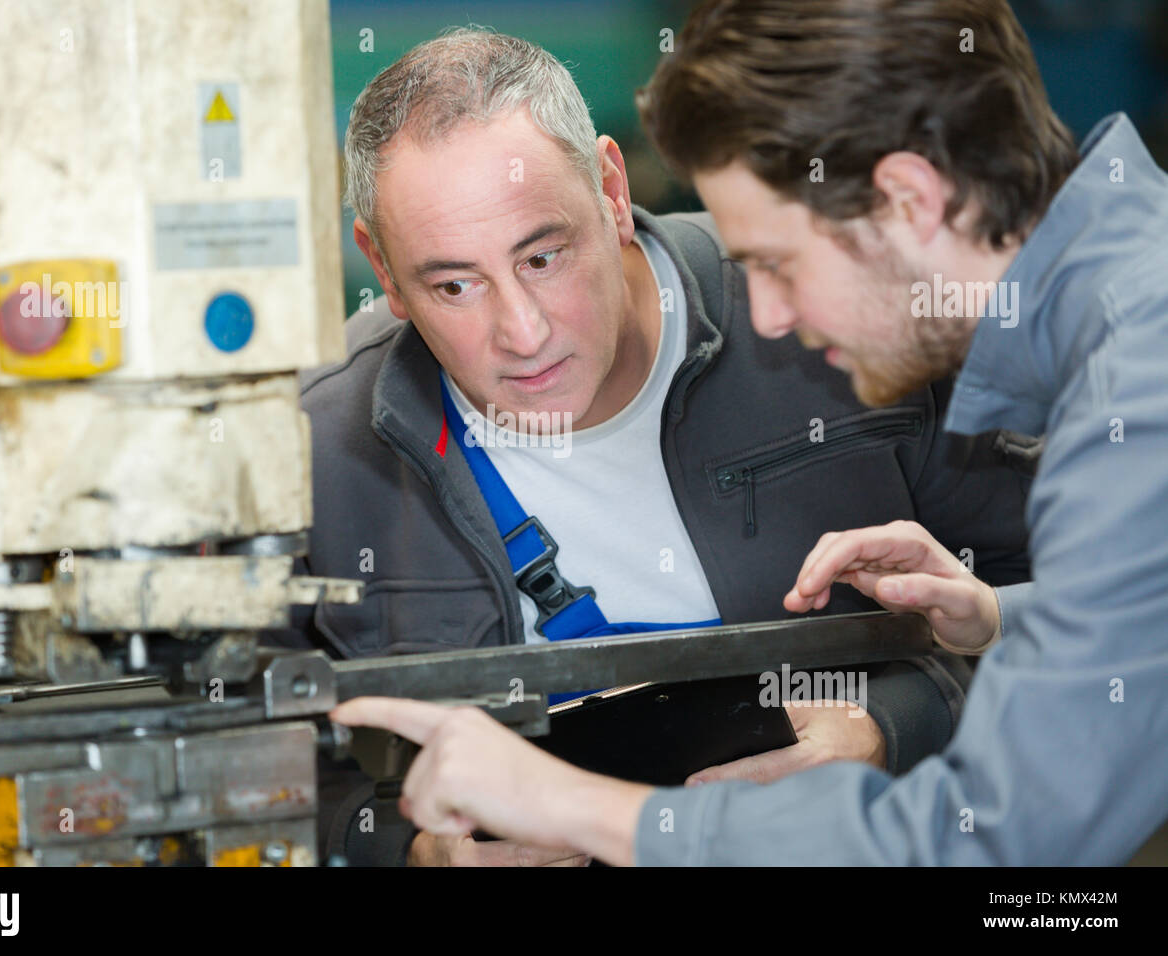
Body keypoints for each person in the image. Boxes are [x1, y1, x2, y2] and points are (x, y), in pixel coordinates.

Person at [331, 0, 1168, 865]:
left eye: (776, 261)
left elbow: (988, 842)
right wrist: (996, 617)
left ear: (909, 200)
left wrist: (580, 808)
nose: (764, 311)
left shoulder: (1137, 399)